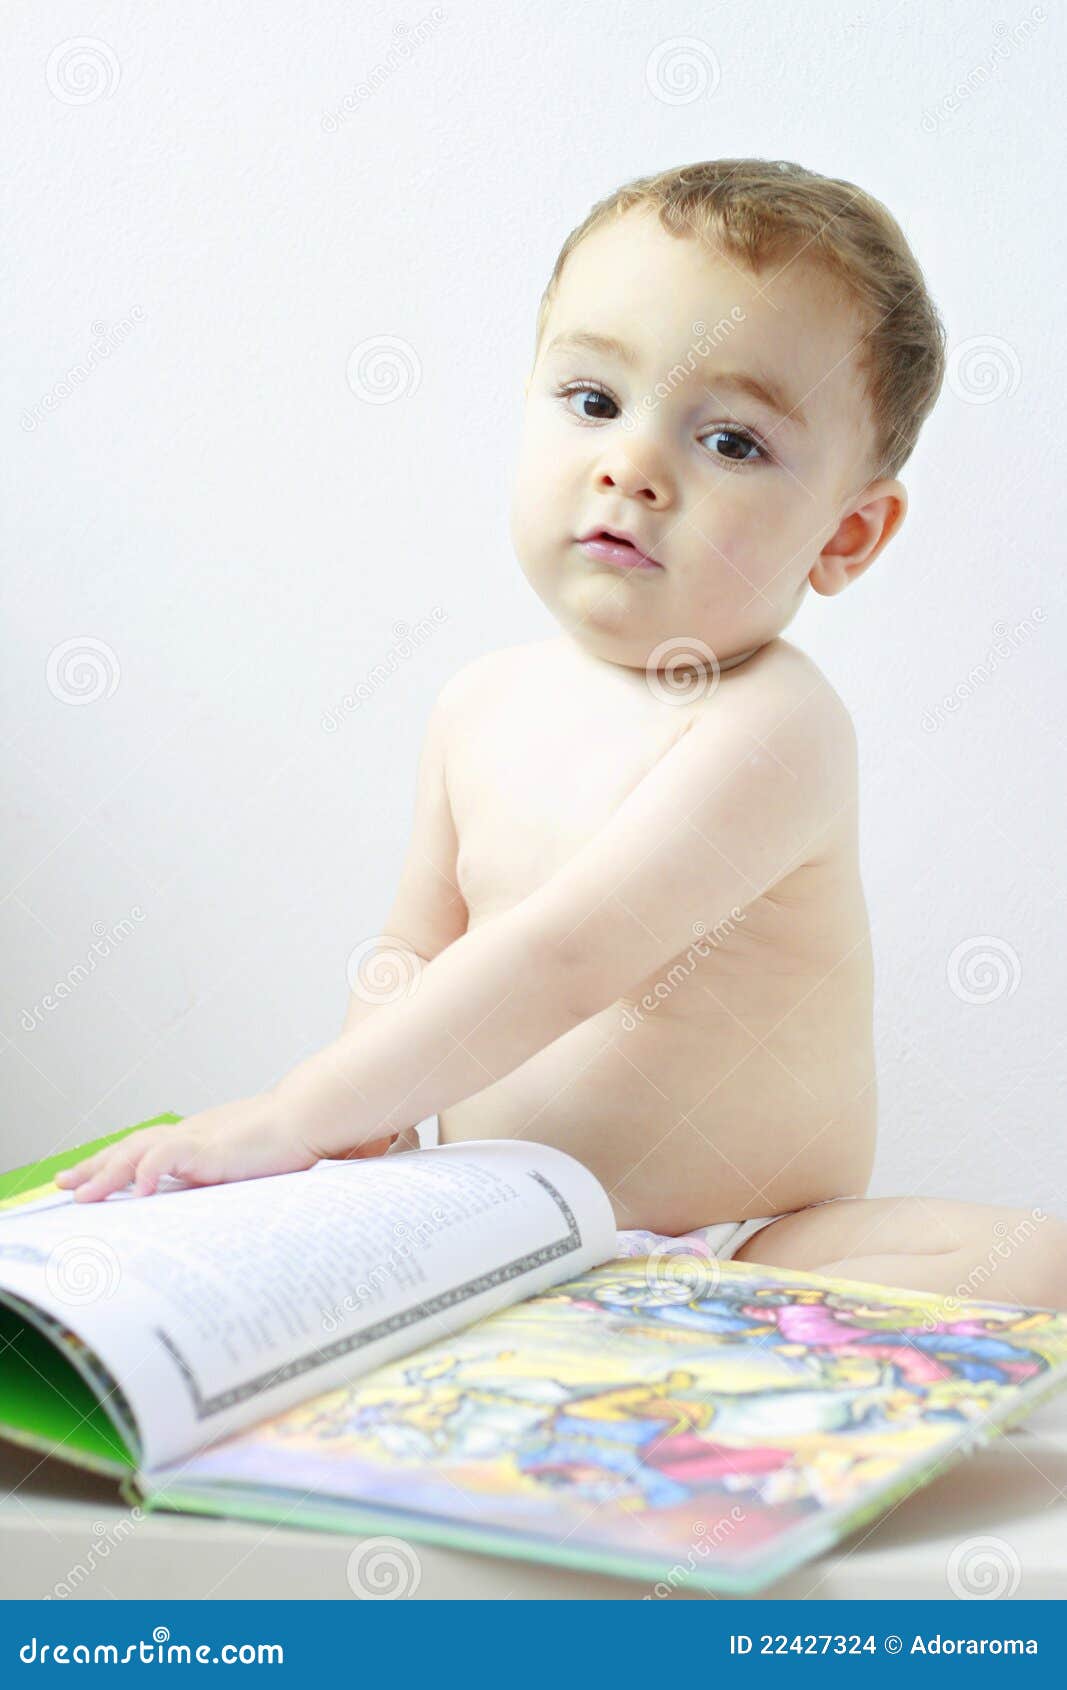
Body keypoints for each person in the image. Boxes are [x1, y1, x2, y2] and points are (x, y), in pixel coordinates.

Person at [56, 159, 1067, 1312]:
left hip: (746, 1247)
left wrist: (294, 1114)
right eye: (593, 400)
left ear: (846, 534)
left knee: (1033, 1259)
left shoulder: (774, 724)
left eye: (729, 441)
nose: (630, 467)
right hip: (499, 1231)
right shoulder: (475, 704)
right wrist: (349, 1134)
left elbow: (567, 954)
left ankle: (694, 1346)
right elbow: (410, 950)